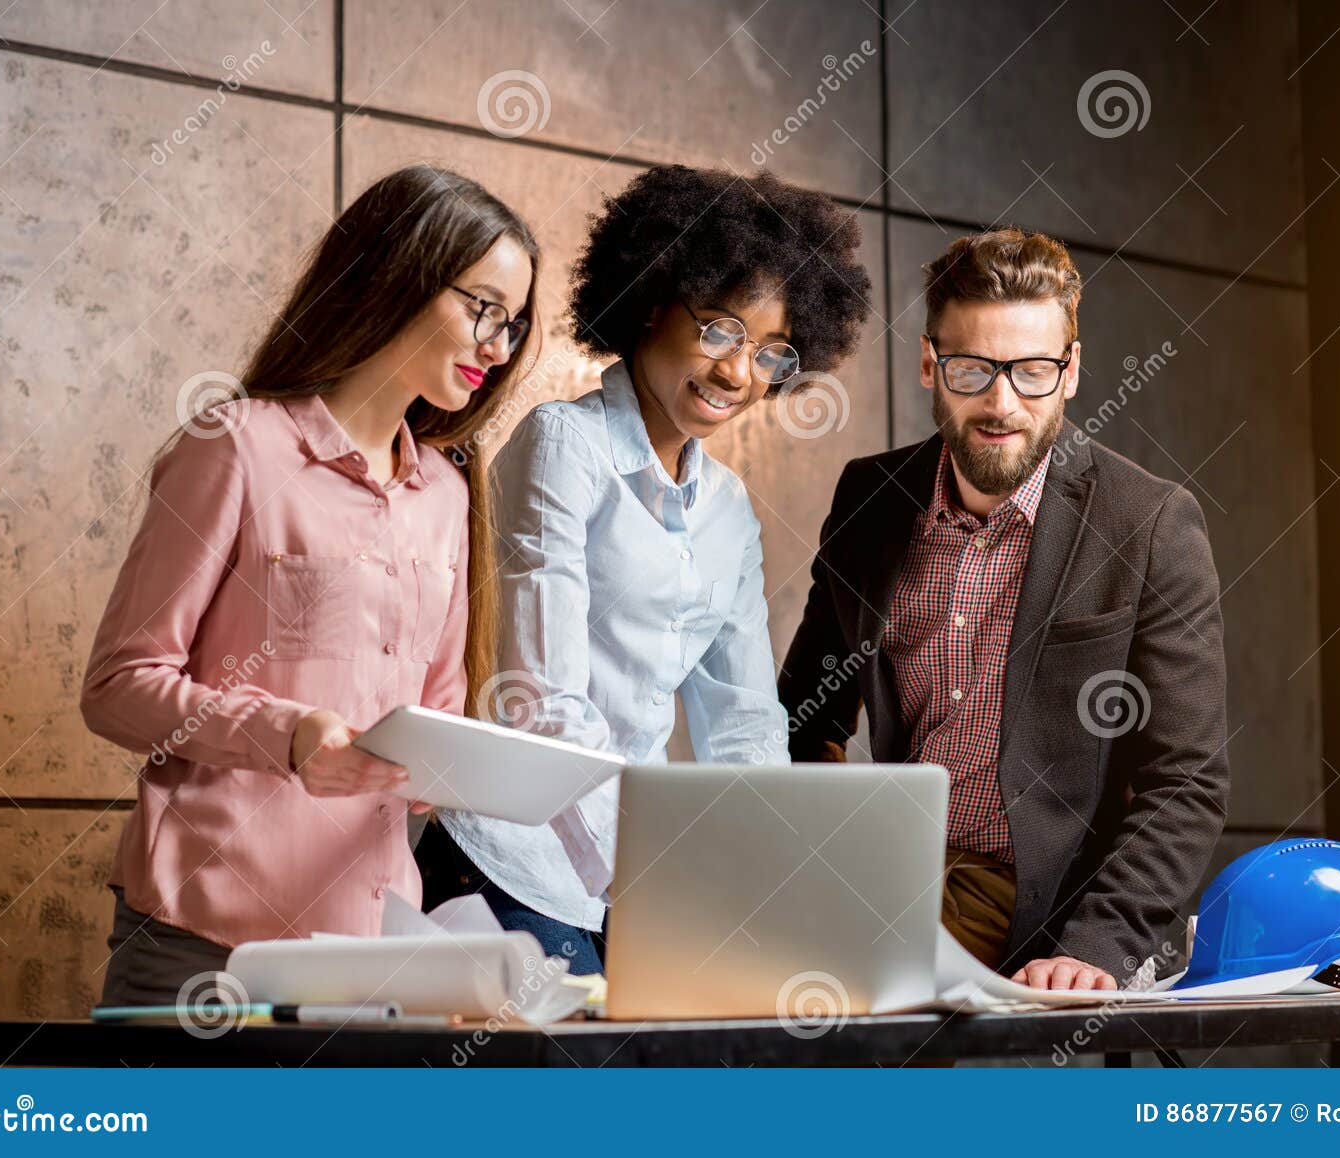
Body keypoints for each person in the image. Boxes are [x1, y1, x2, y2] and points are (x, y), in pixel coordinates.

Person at [81, 165, 538, 1005]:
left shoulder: (446, 493)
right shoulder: (236, 446)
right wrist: (287, 735)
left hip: (371, 954)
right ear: (395, 272)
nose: (497, 347)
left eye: (511, 325)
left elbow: (431, 720)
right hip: (204, 946)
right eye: (483, 309)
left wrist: (481, 771)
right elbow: (117, 687)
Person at [418, 165, 874, 974]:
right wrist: (653, 875)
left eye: (771, 352)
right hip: (511, 867)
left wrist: (766, 881)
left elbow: (743, 724)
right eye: (722, 331)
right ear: (656, 302)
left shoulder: (729, 508)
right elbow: (542, 704)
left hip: (635, 880)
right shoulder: (564, 445)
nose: (739, 373)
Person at [780, 228, 1228, 991]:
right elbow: (804, 713)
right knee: (686, 964)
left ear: (1073, 370)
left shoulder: (1148, 524)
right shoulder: (870, 500)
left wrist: (1099, 943)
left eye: (1031, 372)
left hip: (1043, 897)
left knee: (811, 1004)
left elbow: (1185, 779)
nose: (1000, 402)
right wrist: (826, 847)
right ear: (929, 361)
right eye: (971, 369)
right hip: (890, 875)